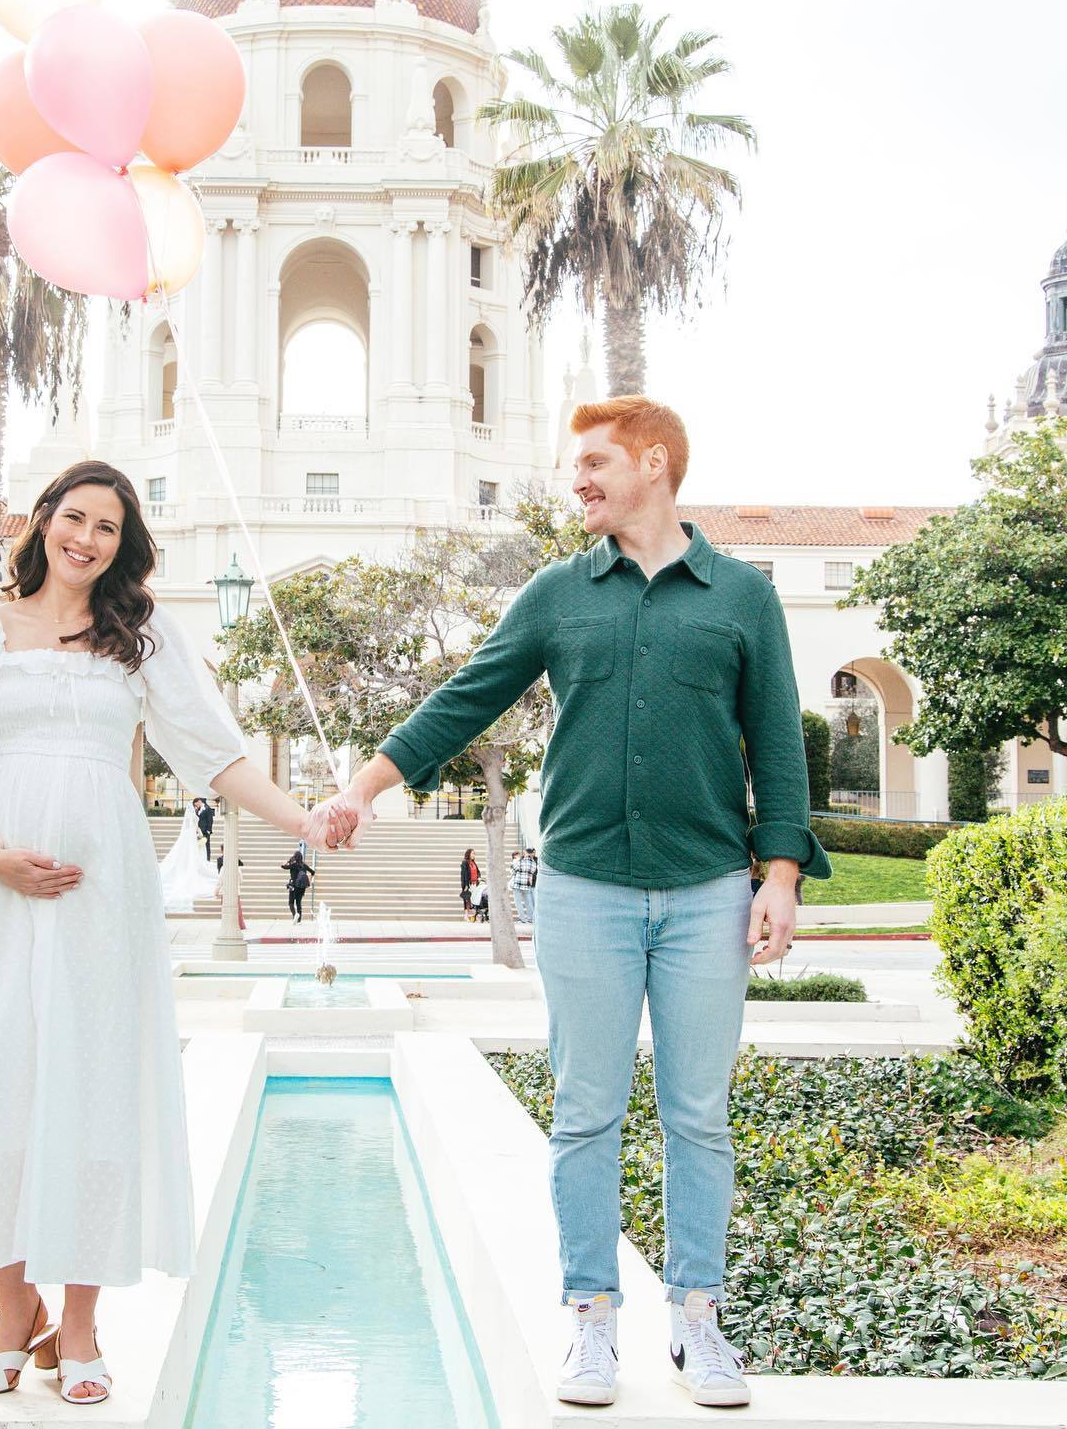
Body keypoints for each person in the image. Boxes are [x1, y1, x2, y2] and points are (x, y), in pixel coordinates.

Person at [320, 397, 830, 1410]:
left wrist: (780, 873)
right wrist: (363, 786)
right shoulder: (561, 591)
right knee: (585, 1114)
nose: (580, 481)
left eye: (595, 463)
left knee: (699, 1116)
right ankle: (591, 1322)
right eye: (577, 466)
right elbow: (469, 694)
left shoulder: (740, 597)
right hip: (587, 892)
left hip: (708, 894)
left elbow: (777, 739)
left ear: (653, 462)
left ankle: (699, 1322)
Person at [0, 459, 355, 1406]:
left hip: (101, 896)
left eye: (108, 529)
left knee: (91, 1085)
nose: (87, 539)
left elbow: (214, 752)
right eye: (74, 518)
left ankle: (79, 1322)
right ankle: (15, 1314)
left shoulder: (142, 636)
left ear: (124, 548)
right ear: (44, 522)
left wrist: (304, 820)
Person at [215, 851, 246, 931]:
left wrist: (216, 891)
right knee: (238, 909)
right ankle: (240, 924)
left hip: (226, 892)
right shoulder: (237, 868)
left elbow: (219, 882)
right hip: (236, 891)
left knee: (226, 908)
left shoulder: (223, 868)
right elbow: (241, 880)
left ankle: (227, 923)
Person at [282, 848, 313, 921]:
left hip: (293, 886)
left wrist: (288, 861)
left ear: (295, 857)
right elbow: (313, 872)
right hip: (302, 887)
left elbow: (283, 866)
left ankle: (294, 914)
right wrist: (309, 881)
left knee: (291, 902)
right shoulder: (304, 865)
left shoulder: (293, 865)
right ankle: (299, 920)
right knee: (298, 903)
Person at [511, 844, 539, 925]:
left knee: (518, 902)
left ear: (525, 852)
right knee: (528, 902)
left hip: (517, 884)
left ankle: (522, 919)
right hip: (526, 885)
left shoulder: (520, 861)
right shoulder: (534, 863)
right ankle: (531, 918)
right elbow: (533, 872)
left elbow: (513, 869)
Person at [192, 794, 215, 863]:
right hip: (199, 831)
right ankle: (201, 859)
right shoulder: (198, 810)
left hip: (205, 831)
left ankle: (208, 860)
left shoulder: (207, 808)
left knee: (207, 846)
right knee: (201, 847)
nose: (196, 806)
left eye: (196, 805)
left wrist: (208, 830)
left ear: (199, 801)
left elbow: (210, 820)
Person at [459, 846, 479, 921]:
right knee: (467, 899)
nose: (474, 855)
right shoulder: (465, 862)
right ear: (469, 854)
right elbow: (464, 874)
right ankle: (466, 915)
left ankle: (473, 915)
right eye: (473, 853)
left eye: (474, 854)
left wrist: (479, 877)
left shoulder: (473, 863)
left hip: (474, 883)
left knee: (473, 899)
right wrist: (466, 885)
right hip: (468, 884)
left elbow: (478, 871)